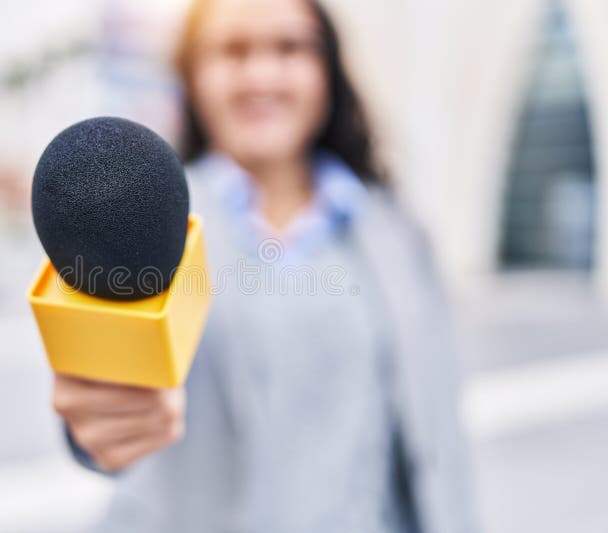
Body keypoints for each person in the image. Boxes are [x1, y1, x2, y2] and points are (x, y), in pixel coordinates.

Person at [51, 0, 478, 532]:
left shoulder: (396, 229)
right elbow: (103, 388)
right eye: (233, 51)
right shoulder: (145, 222)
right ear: (192, 76)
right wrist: (99, 424)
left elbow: (438, 433)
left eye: (289, 47)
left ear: (327, 68)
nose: (261, 75)